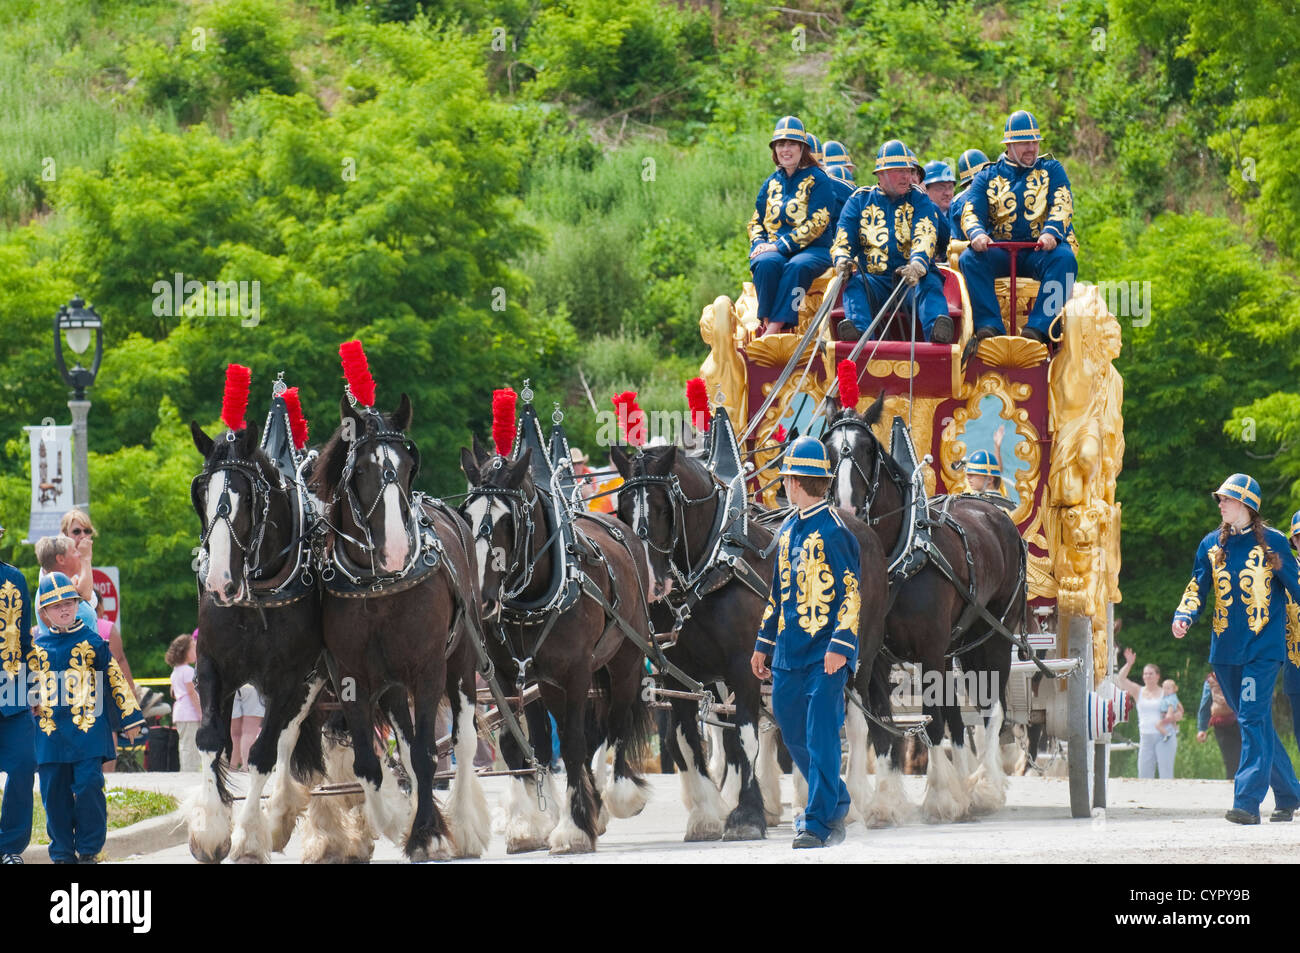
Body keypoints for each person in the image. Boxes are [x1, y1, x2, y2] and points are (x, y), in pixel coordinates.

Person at [750, 436, 860, 848]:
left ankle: (816, 822)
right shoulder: (788, 528)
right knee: (791, 729)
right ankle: (836, 799)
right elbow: (777, 595)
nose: (784, 485)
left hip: (825, 657)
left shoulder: (835, 532)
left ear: (798, 482)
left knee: (820, 735)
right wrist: (763, 643)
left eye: (787, 478)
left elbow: (851, 594)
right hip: (788, 655)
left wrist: (841, 647)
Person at [1172, 473, 1300, 824]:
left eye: (1226, 499)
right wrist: (1184, 614)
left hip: (1264, 650)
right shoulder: (1211, 545)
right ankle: (1290, 793)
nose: (1221, 504)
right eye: (1220, 499)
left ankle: (1246, 802)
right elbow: (1197, 585)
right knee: (1256, 723)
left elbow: (1297, 587)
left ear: (1246, 505)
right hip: (1225, 651)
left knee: (1251, 718)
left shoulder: (1274, 543)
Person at [28, 572, 143, 863]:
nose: (64, 609)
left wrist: (131, 720)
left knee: (90, 785)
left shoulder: (94, 643)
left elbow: (116, 680)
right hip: (49, 736)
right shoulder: (35, 652)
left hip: (88, 731)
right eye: (56, 606)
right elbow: (21, 694)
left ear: (78, 604)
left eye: (69, 602)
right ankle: (63, 854)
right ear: (44, 612)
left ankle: (89, 849)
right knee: (54, 795)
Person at [958, 110, 1078, 344]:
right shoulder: (986, 176)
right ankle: (989, 325)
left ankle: (1040, 328)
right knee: (969, 259)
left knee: (1064, 259)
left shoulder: (1051, 169)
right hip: (1001, 251)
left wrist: (1051, 232)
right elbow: (970, 211)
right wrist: (977, 234)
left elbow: (1063, 202)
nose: (1031, 148)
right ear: (1009, 145)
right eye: (1024, 143)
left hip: (1040, 250)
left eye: (1034, 142)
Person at [831, 139, 951, 343]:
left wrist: (918, 265)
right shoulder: (858, 200)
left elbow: (925, 232)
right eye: (899, 171)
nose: (907, 176)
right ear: (881, 174)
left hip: (912, 277)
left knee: (929, 283)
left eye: (908, 170)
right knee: (855, 284)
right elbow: (843, 238)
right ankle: (859, 333)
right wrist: (841, 260)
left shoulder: (920, 199)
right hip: (874, 279)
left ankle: (937, 333)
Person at [748, 116, 836, 335]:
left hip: (815, 249)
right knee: (764, 262)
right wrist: (759, 243)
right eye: (780, 144)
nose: (785, 149)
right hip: (775, 248)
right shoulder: (771, 182)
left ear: (802, 148)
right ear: (775, 149)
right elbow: (756, 220)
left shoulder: (819, 180)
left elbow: (818, 223)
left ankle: (775, 328)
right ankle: (766, 320)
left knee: (797, 266)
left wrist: (779, 245)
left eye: (791, 144)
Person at [0, 522, 35, 864]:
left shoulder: (15, 580)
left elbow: (25, 642)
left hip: (12, 691)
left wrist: (34, 688)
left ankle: (9, 846)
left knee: (25, 764)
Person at [1114, 648, 1178, 778]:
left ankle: (1167, 797)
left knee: (1166, 774)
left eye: (1151, 674)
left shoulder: (1165, 693)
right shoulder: (1138, 691)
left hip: (1164, 736)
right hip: (1146, 737)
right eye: (1145, 674)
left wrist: (1172, 718)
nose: (1147, 676)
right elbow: (1121, 679)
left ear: (1158, 676)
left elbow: (1179, 711)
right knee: (1144, 774)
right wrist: (1129, 664)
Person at [1197, 670, 1242, 779]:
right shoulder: (1240, 673)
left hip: (1221, 722)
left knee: (1229, 758)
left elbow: (1205, 703)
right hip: (1241, 721)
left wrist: (1202, 728)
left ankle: (1232, 784)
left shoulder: (1211, 679)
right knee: (1244, 756)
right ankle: (1245, 785)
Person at [165, 634, 201, 772]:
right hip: (189, 713)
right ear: (184, 652)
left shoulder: (176, 671)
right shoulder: (188, 671)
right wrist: (201, 713)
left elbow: (173, 692)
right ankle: (190, 772)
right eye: (193, 649)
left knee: (186, 744)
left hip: (181, 713)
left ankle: (187, 770)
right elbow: (192, 694)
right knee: (191, 746)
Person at [922, 160, 956, 261]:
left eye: (950, 188)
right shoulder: (917, 214)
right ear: (925, 190)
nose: (948, 193)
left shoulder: (959, 214)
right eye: (941, 188)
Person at [230, 683, 265, 771]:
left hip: (232, 687)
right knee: (249, 732)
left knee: (235, 734)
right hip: (251, 686)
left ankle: (232, 766)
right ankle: (246, 766)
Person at [963, 426, 1005, 494]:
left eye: (972, 474)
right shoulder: (967, 484)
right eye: (968, 474)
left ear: (990, 479)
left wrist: (997, 447)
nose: (968, 477)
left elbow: (997, 470)